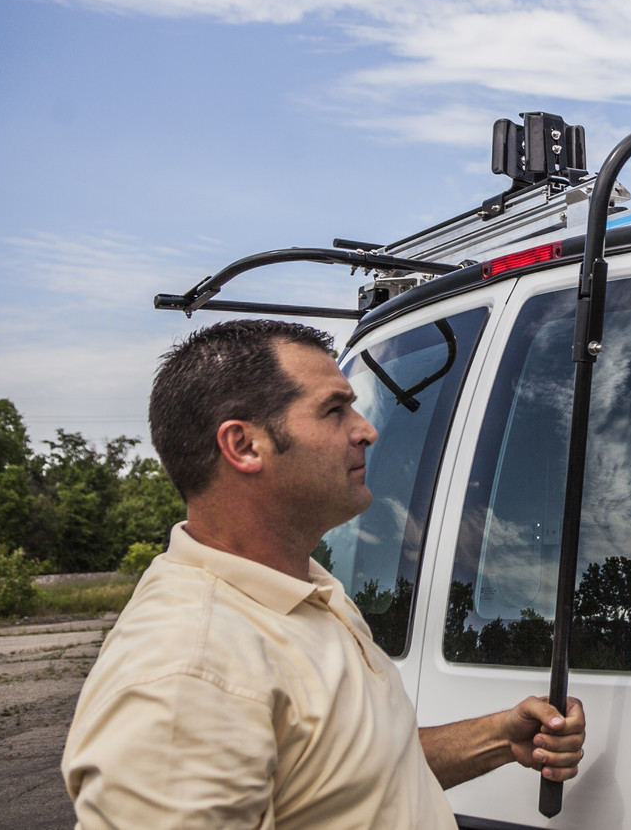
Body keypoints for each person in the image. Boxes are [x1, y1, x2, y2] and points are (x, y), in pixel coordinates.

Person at [62, 319, 585, 828]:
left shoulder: (306, 590)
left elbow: (354, 773)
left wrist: (499, 738)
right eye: (335, 410)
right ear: (244, 446)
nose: (367, 430)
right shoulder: (188, 675)